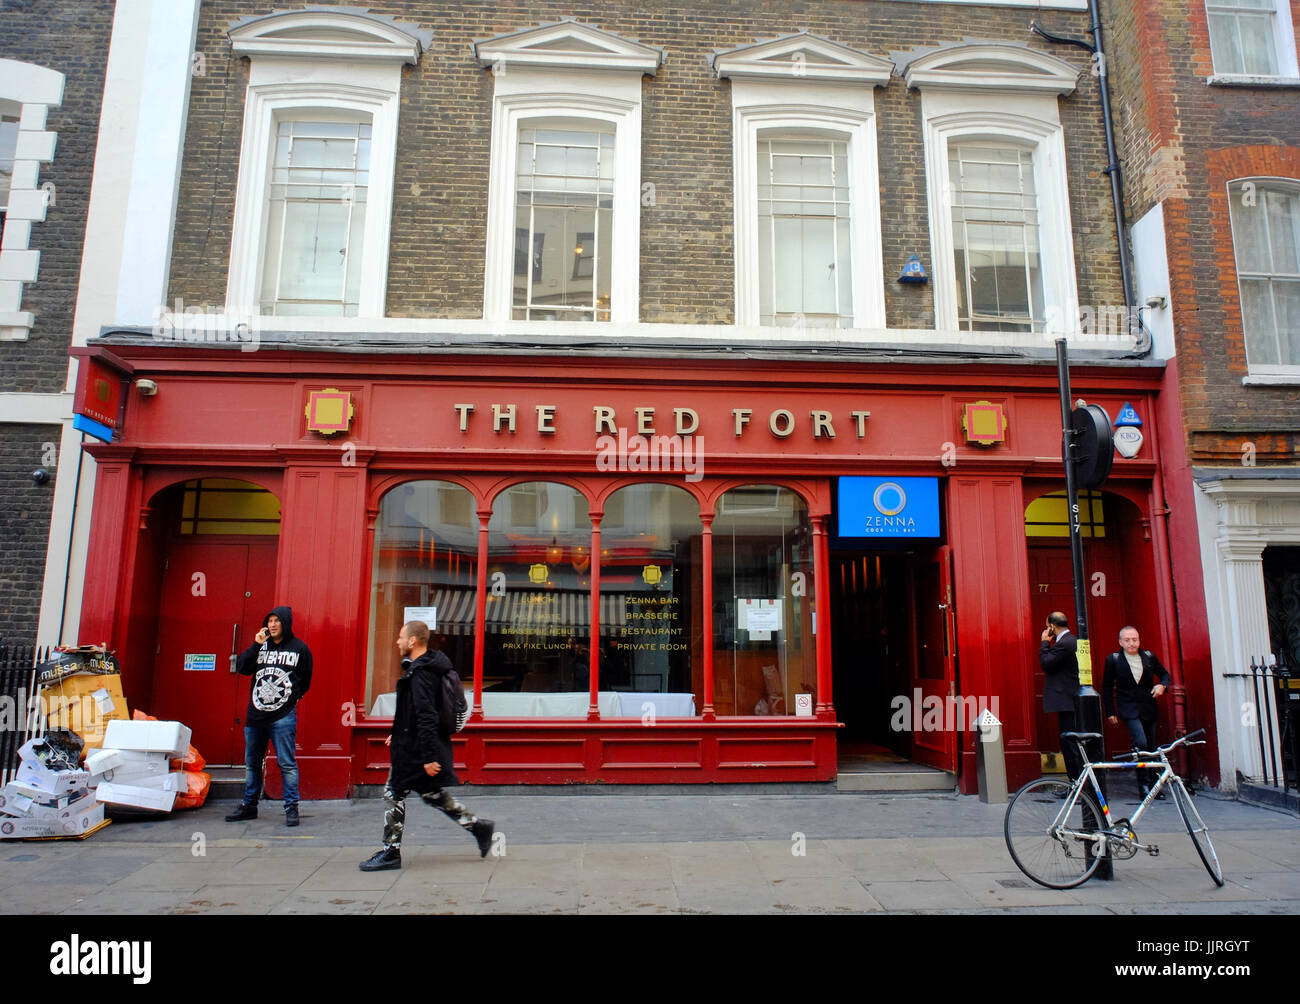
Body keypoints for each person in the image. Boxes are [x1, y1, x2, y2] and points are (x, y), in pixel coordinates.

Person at [359, 620, 494, 871]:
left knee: (393, 793)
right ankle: (479, 827)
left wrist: (430, 757)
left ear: (413, 641)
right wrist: (397, 733)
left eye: (401, 637)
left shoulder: (421, 673)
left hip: (416, 750)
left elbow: (427, 715)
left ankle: (391, 852)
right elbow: (413, 712)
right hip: (414, 744)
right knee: (434, 796)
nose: (397, 641)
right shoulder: (422, 668)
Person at [225, 605, 312, 827]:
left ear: (286, 623)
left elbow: (306, 679)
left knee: (286, 763)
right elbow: (243, 668)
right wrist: (256, 644)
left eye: (276, 621)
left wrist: (292, 699)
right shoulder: (260, 647)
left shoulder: (299, 649)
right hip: (256, 714)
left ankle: (291, 808)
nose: (272, 625)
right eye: (269, 621)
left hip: (282, 715)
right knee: (252, 762)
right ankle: (249, 806)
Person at [1103, 626, 1172, 798]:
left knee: (1150, 746)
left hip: (1148, 707)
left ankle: (1155, 785)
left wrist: (1162, 685)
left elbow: (1165, 675)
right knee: (1140, 743)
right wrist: (1110, 711)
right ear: (1120, 642)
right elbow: (1107, 686)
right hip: (1128, 708)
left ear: (1139, 640)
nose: (1131, 643)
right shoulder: (1114, 660)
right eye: (1127, 640)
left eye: (1134, 639)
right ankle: (1144, 785)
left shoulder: (1148, 657)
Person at [1039, 610, 1083, 781]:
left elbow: (1046, 663)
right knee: (1068, 741)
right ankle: (1075, 782)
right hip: (1067, 699)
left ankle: (1075, 782)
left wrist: (1044, 643)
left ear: (1052, 627)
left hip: (1067, 700)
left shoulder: (1065, 643)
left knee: (1069, 742)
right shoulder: (1067, 641)